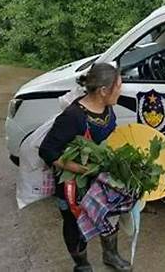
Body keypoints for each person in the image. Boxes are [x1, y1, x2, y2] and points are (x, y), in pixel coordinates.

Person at [39, 63, 130, 272]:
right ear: (103, 90)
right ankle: (82, 264)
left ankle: (111, 255)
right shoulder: (73, 117)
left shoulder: (107, 107)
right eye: (118, 86)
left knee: (109, 215)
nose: (121, 90)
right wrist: (82, 170)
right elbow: (47, 151)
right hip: (74, 184)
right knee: (75, 224)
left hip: (100, 178)